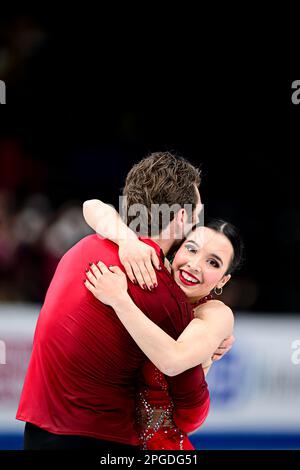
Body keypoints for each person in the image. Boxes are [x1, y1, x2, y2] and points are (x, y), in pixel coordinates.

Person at [16, 151, 232, 450]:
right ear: (182, 217)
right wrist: (206, 353)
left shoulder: (82, 247)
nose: (198, 218)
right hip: (104, 440)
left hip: (36, 431)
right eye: (197, 211)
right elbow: (191, 414)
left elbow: (92, 206)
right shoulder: (162, 291)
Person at [83, 202, 243, 449]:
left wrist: (119, 300)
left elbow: (171, 361)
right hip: (109, 435)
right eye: (191, 249)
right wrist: (127, 241)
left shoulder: (216, 314)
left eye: (213, 263)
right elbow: (92, 207)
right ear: (177, 250)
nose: (194, 265)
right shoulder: (156, 272)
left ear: (223, 279)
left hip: (162, 446)